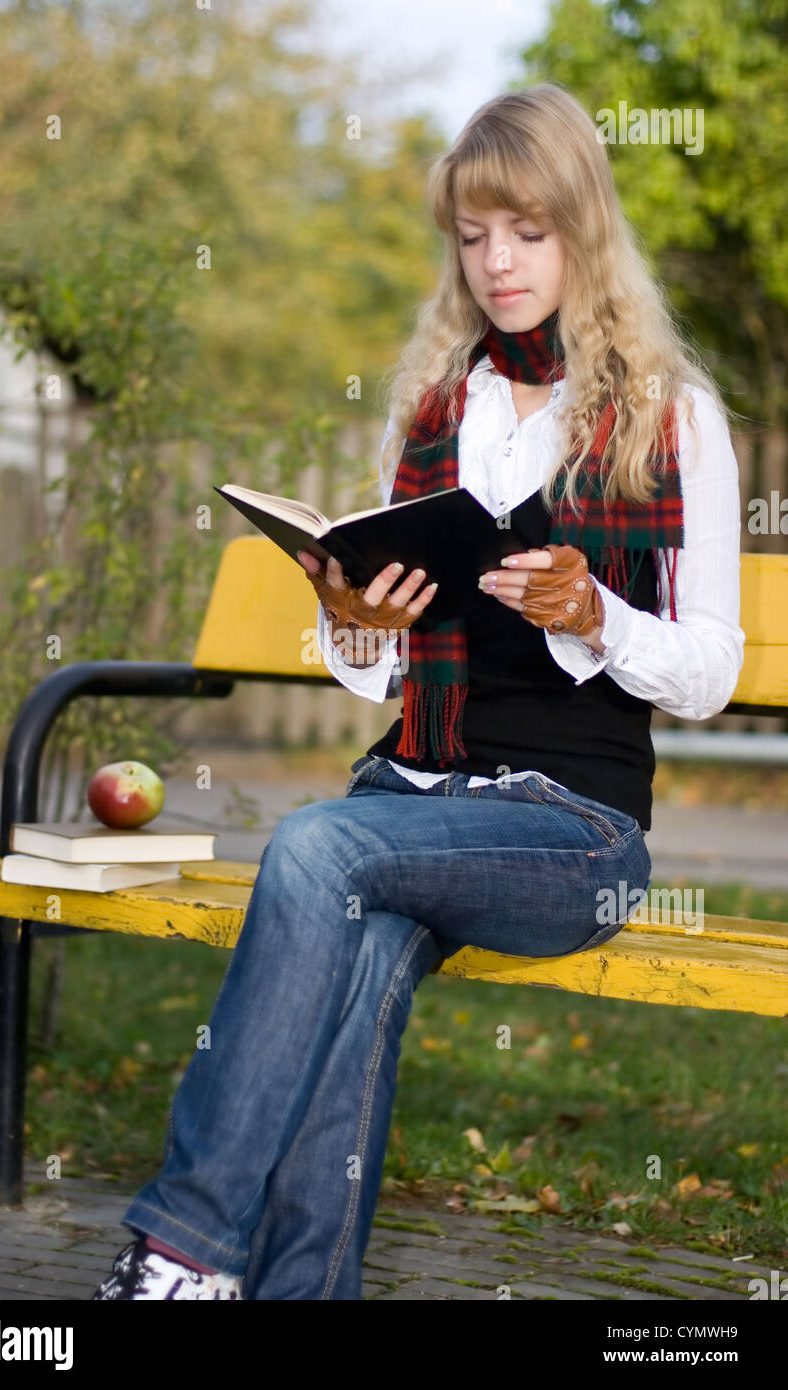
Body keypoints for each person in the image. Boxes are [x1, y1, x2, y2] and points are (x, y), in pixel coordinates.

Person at [92, 81, 745, 1301]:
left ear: (582, 229)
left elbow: (708, 672)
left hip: (573, 832)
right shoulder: (436, 406)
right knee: (360, 934)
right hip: (413, 793)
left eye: (527, 231)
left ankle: (182, 1247)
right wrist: (352, 621)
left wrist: (594, 615)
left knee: (315, 851)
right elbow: (375, 669)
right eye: (472, 234)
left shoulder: (677, 420)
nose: (496, 262)